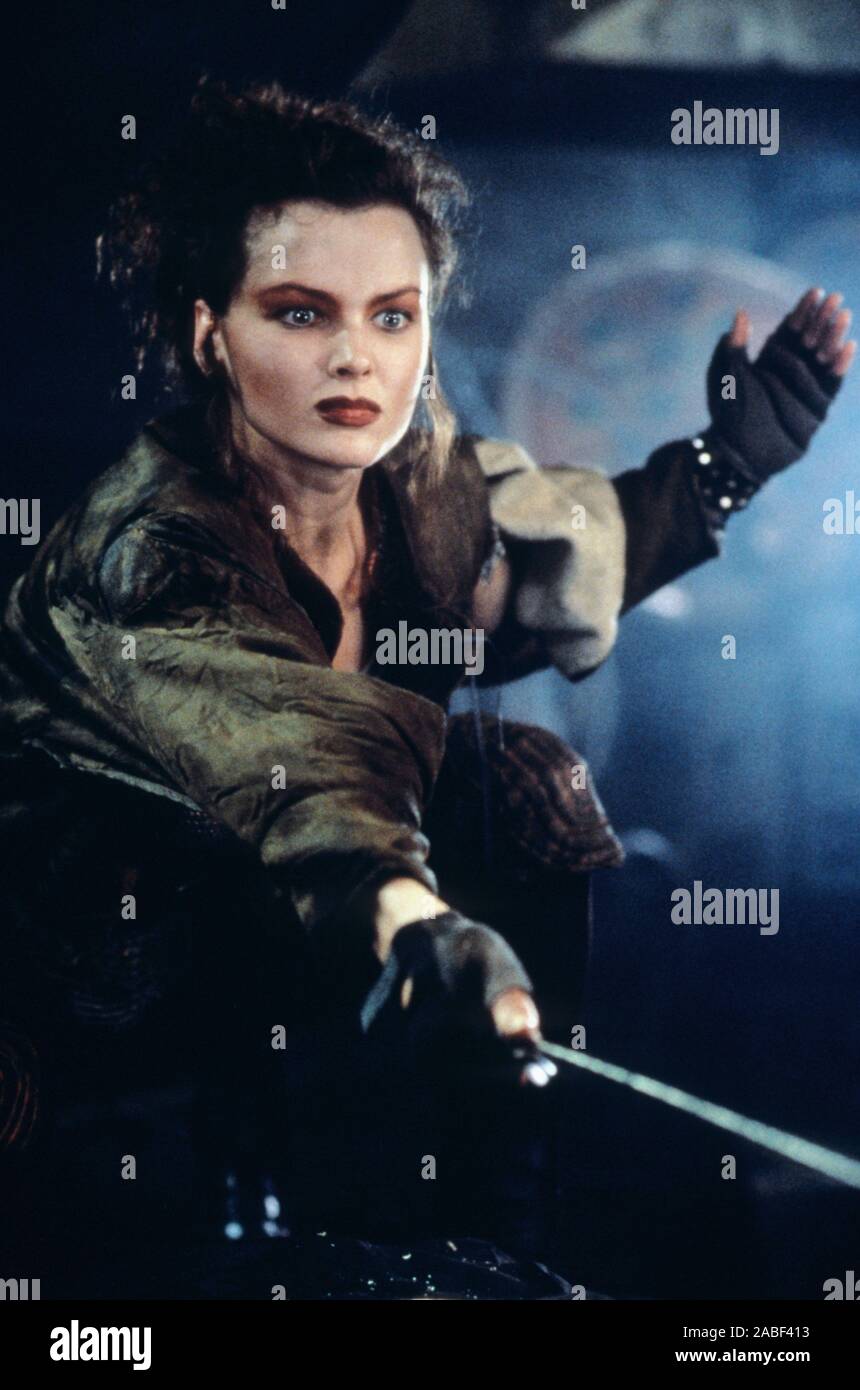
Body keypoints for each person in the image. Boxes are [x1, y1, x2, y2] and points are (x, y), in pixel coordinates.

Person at [0, 76, 853, 1244]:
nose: (356, 357)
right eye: (301, 313)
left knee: (527, 781)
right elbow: (298, 780)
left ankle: (485, 1218)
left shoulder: (421, 489)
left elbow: (537, 569)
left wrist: (721, 465)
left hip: (314, 930)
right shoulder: (154, 553)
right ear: (211, 336)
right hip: (99, 967)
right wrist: (418, 926)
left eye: (392, 316)